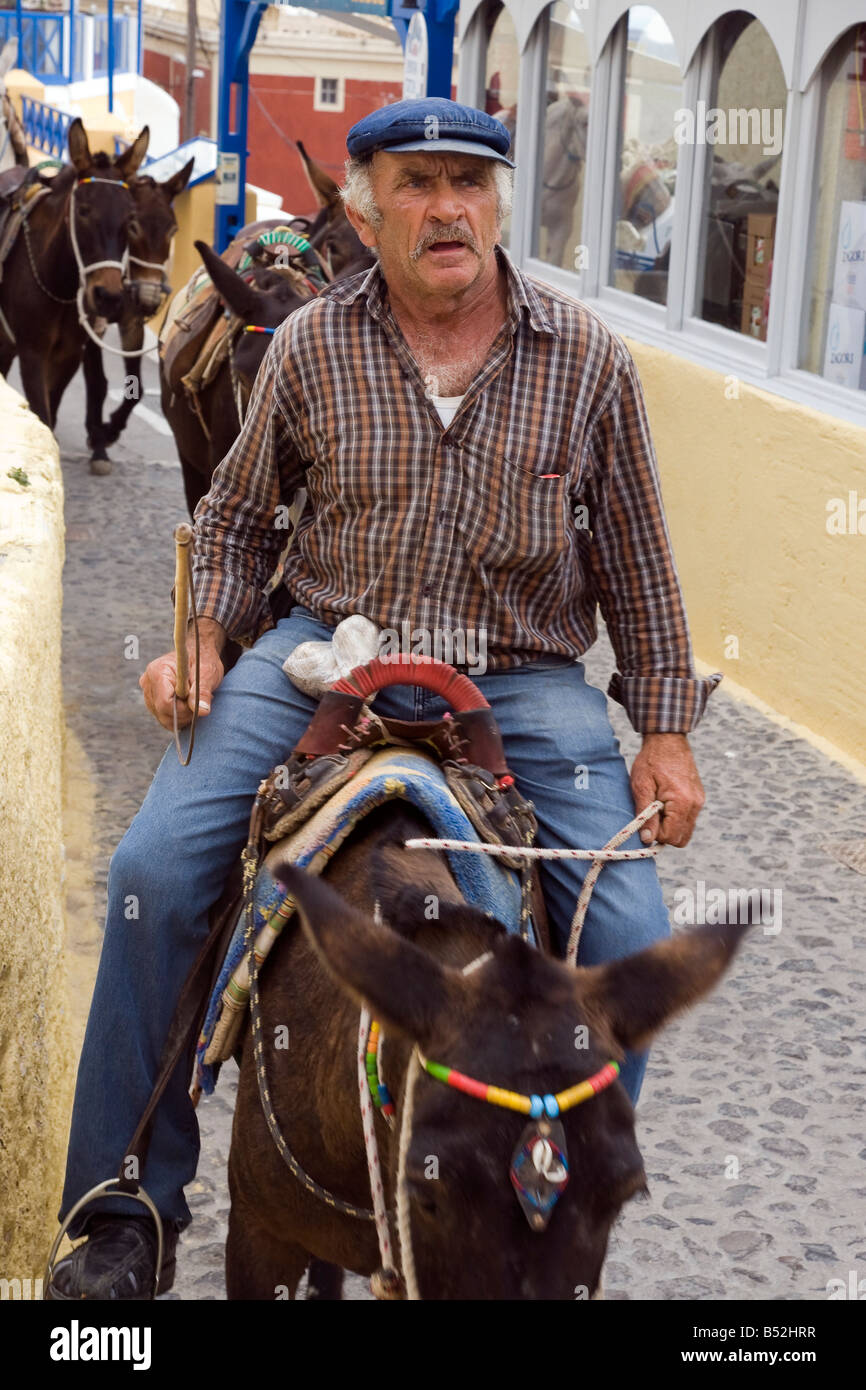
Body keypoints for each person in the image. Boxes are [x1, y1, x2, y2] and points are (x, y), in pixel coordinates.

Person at [48, 98, 720, 1300]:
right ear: (365, 205)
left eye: (469, 182)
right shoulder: (309, 346)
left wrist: (661, 731)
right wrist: (201, 633)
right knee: (150, 871)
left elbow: (635, 557)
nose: (447, 206)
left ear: (499, 201)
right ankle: (123, 1205)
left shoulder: (587, 358)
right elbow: (241, 518)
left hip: (520, 677)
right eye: (416, 182)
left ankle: (552, 1207)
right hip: (322, 648)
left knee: (621, 935)